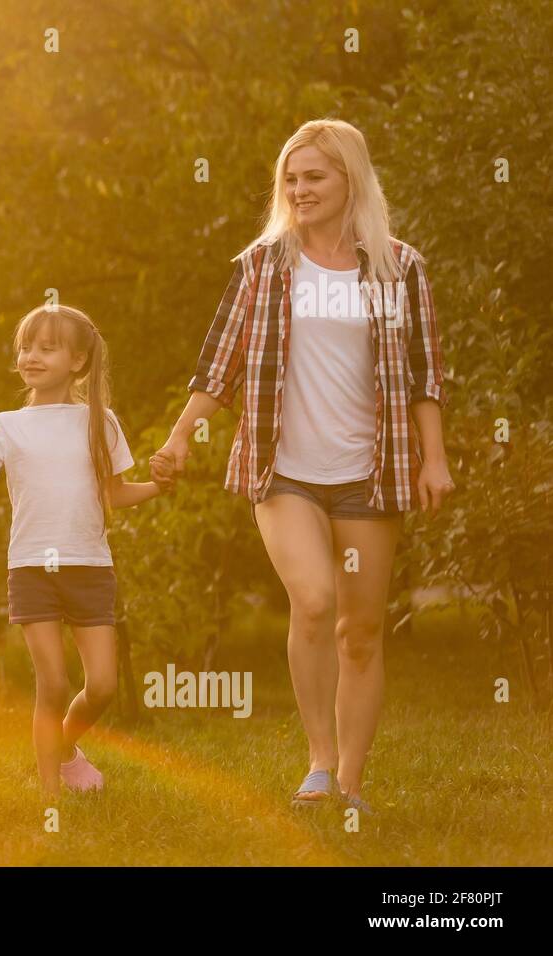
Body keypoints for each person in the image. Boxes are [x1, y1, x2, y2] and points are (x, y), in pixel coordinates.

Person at [152, 119, 452, 815]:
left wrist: (434, 459)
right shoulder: (265, 265)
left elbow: (423, 374)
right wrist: (180, 436)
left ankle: (350, 782)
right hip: (281, 467)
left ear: (351, 179)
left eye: (314, 176)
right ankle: (318, 763)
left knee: (362, 629)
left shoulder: (396, 267)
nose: (299, 188)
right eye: (291, 177)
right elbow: (218, 363)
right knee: (315, 600)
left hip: (373, 473)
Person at [0, 305, 168, 797]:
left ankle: (65, 749)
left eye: (46, 348)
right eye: (26, 347)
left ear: (77, 361)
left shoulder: (101, 421)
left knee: (103, 688)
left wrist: (158, 486)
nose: (31, 356)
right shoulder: (7, 425)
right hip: (31, 569)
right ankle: (49, 793)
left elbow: (115, 493)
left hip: (91, 568)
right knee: (51, 684)